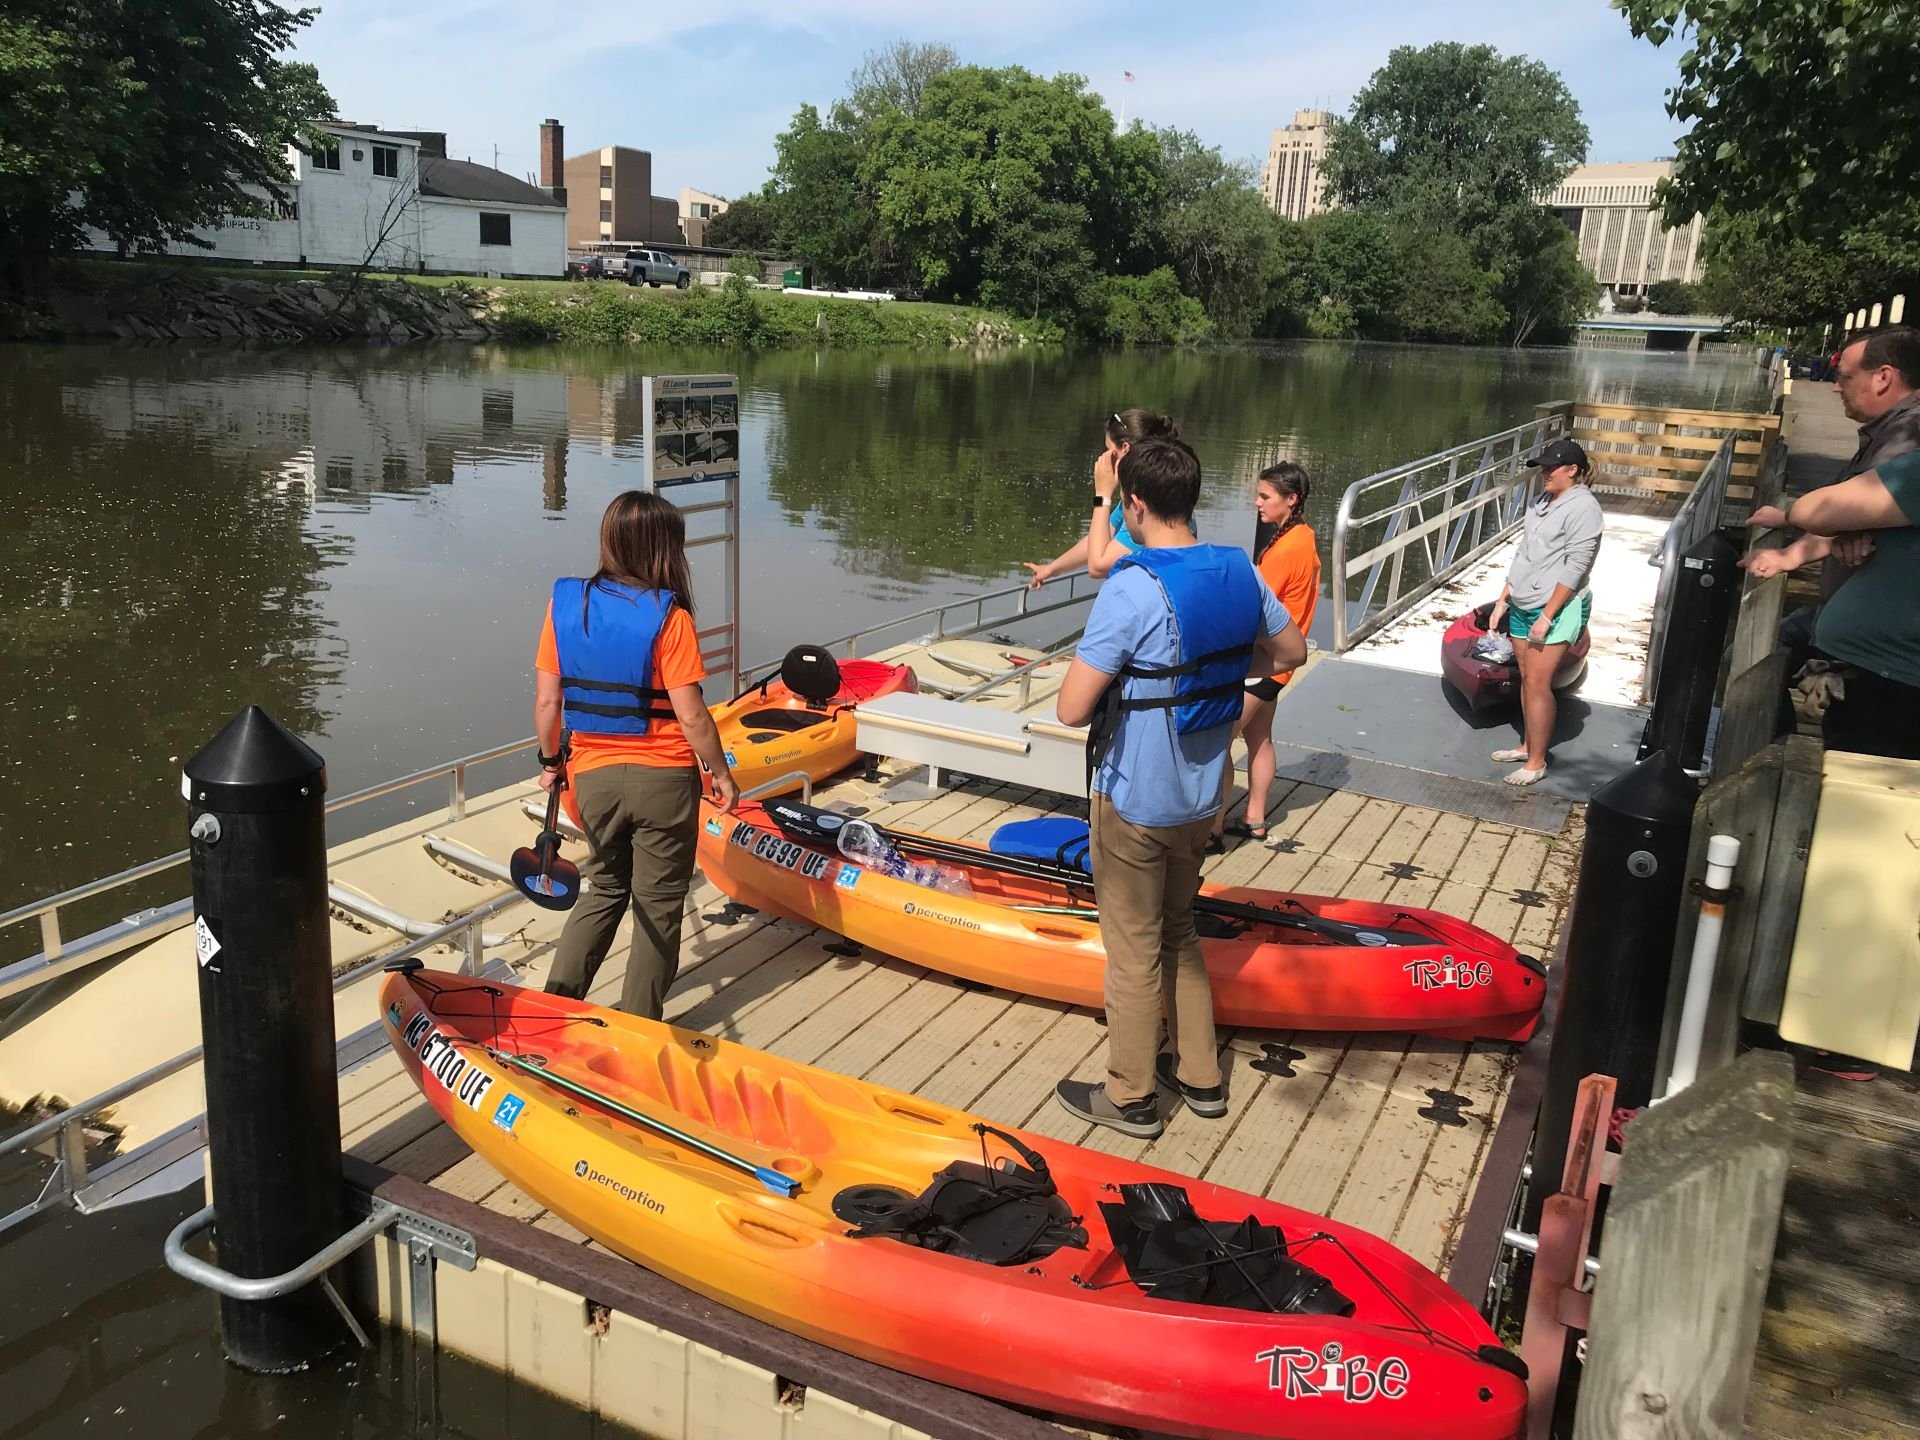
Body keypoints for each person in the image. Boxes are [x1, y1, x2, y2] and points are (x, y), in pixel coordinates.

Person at [1051, 439, 1306, 1139]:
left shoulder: (1131, 586)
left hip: (1136, 799)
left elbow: (1070, 710)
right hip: (1204, 796)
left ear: (1133, 504)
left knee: (1132, 950)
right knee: (1180, 932)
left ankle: (1130, 1096)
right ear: (1191, 498)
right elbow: (1292, 653)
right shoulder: (1237, 571)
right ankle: (1200, 1077)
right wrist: (1219, 668)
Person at [534, 491, 739, 1019]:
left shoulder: (566, 604)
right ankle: (636, 1026)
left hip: (593, 778)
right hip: (665, 781)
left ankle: (553, 1010)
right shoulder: (670, 618)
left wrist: (551, 763)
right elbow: (692, 716)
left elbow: (547, 701)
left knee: (604, 887)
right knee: (658, 904)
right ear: (665, 549)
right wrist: (721, 772)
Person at [1748, 449, 1920, 760]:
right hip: (1886, 677)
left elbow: (1813, 511)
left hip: (1892, 686)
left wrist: (1851, 525)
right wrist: (1861, 529)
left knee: (1856, 799)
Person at [1743, 327, 1920, 592]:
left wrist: (1800, 523)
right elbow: (1847, 513)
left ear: (1883, 378)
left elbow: (1825, 511)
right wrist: (1842, 528)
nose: (1836, 387)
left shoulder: (1907, 438)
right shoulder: (1889, 430)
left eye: (1846, 377)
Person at [1210, 461, 1320, 847]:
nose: (1256, 503)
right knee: (1260, 739)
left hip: (1263, 662)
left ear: (1290, 499)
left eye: (1264, 496)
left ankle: (1212, 828)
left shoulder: (1284, 551)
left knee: (1219, 742)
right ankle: (1254, 817)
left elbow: (1254, 608)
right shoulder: (1304, 537)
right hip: (1281, 663)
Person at [1487, 438, 1604, 787]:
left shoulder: (1584, 509)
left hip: (1556, 608)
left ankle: (1537, 762)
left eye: (1552, 468)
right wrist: (1502, 600)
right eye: (1543, 467)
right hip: (1523, 600)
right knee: (1526, 676)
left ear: (1573, 470)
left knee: (1539, 682)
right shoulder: (1541, 502)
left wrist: (1548, 615)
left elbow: (1576, 567)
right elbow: (1524, 554)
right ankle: (1527, 746)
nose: (1545, 473)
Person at [1024, 409, 1181, 588]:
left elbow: (1097, 567)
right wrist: (1051, 569)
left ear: (1124, 449)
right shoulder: (1147, 491)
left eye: (1108, 450)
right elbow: (1100, 535)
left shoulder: (1144, 506)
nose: (1103, 458)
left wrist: (1102, 495)